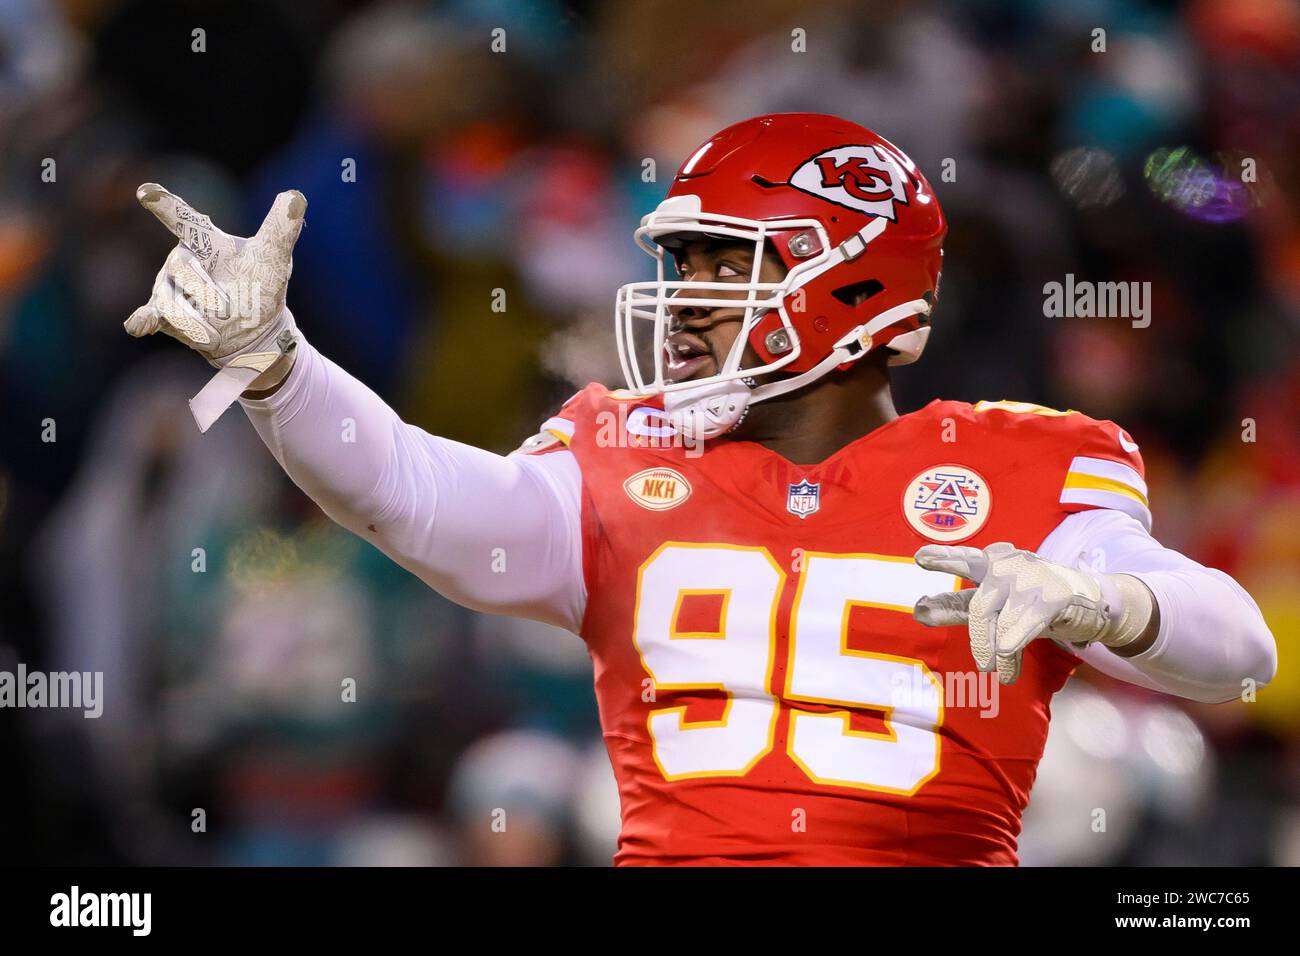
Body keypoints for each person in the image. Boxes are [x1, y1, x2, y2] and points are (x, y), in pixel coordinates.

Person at [124, 113, 1276, 865]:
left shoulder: (1019, 464)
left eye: (735, 262)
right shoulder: (623, 449)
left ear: (871, 299)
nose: (687, 295)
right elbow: (408, 492)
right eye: (685, 261)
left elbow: (1237, 650)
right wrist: (276, 362)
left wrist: (1103, 602)